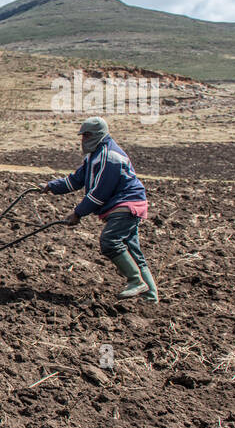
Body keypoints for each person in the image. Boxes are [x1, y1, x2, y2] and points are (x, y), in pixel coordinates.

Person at [45, 116, 158, 302]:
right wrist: (51, 186)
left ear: (98, 135)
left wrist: (78, 213)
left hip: (126, 204)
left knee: (110, 241)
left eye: (87, 136)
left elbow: (99, 193)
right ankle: (150, 298)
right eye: (82, 136)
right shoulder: (94, 156)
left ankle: (136, 281)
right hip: (126, 205)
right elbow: (76, 180)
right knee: (131, 249)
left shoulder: (109, 157)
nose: (83, 140)